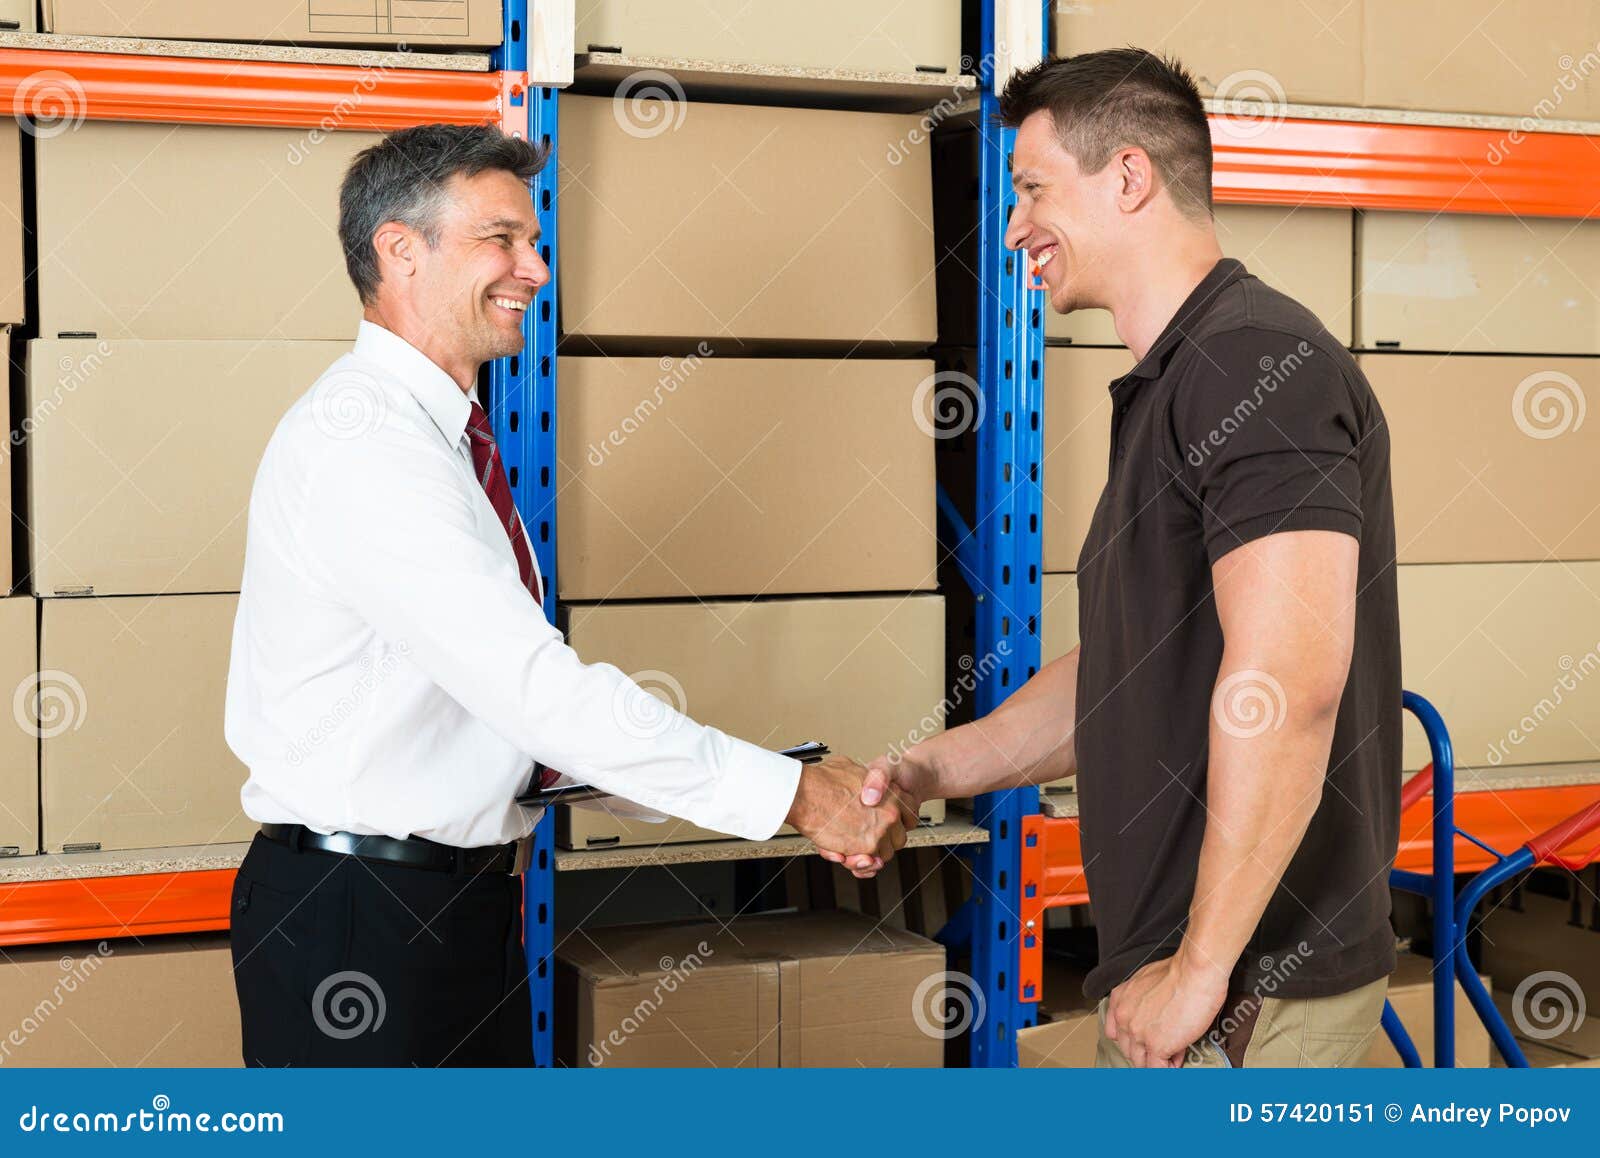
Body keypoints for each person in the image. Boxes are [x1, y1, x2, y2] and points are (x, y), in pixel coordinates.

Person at [224, 124, 906, 1067]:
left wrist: (773, 786)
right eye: (500, 240)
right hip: (362, 927)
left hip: (443, 908)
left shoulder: (439, 442)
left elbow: (513, 721)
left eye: (532, 242)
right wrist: (793, 797)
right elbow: (536, 693)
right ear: (399, 250)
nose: (534, 269)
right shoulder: (364, 443)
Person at [847, 49, 1401, 1068]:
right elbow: (1128, 678)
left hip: (1244, 996)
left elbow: (1288, 687)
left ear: (1130, 178)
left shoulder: (1250, 364)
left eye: (1032, 189)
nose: (1015, 227)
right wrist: (932, 768)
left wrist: (1199, 971)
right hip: (1195, 979)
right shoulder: (1182, 380)